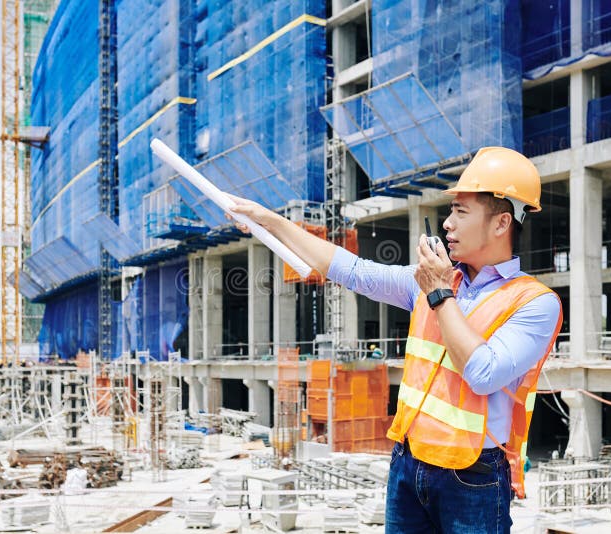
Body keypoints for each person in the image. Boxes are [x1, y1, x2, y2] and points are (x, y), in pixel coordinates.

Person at [230, 147, 562, 533]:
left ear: (502, 223)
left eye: (461, 211)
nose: (448, 224)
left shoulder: (534, 302)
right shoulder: (431, 281)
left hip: (472, 476)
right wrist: (270, 221)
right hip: (408, 461)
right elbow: (350, 269)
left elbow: (483, 373)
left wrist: (439, 292)